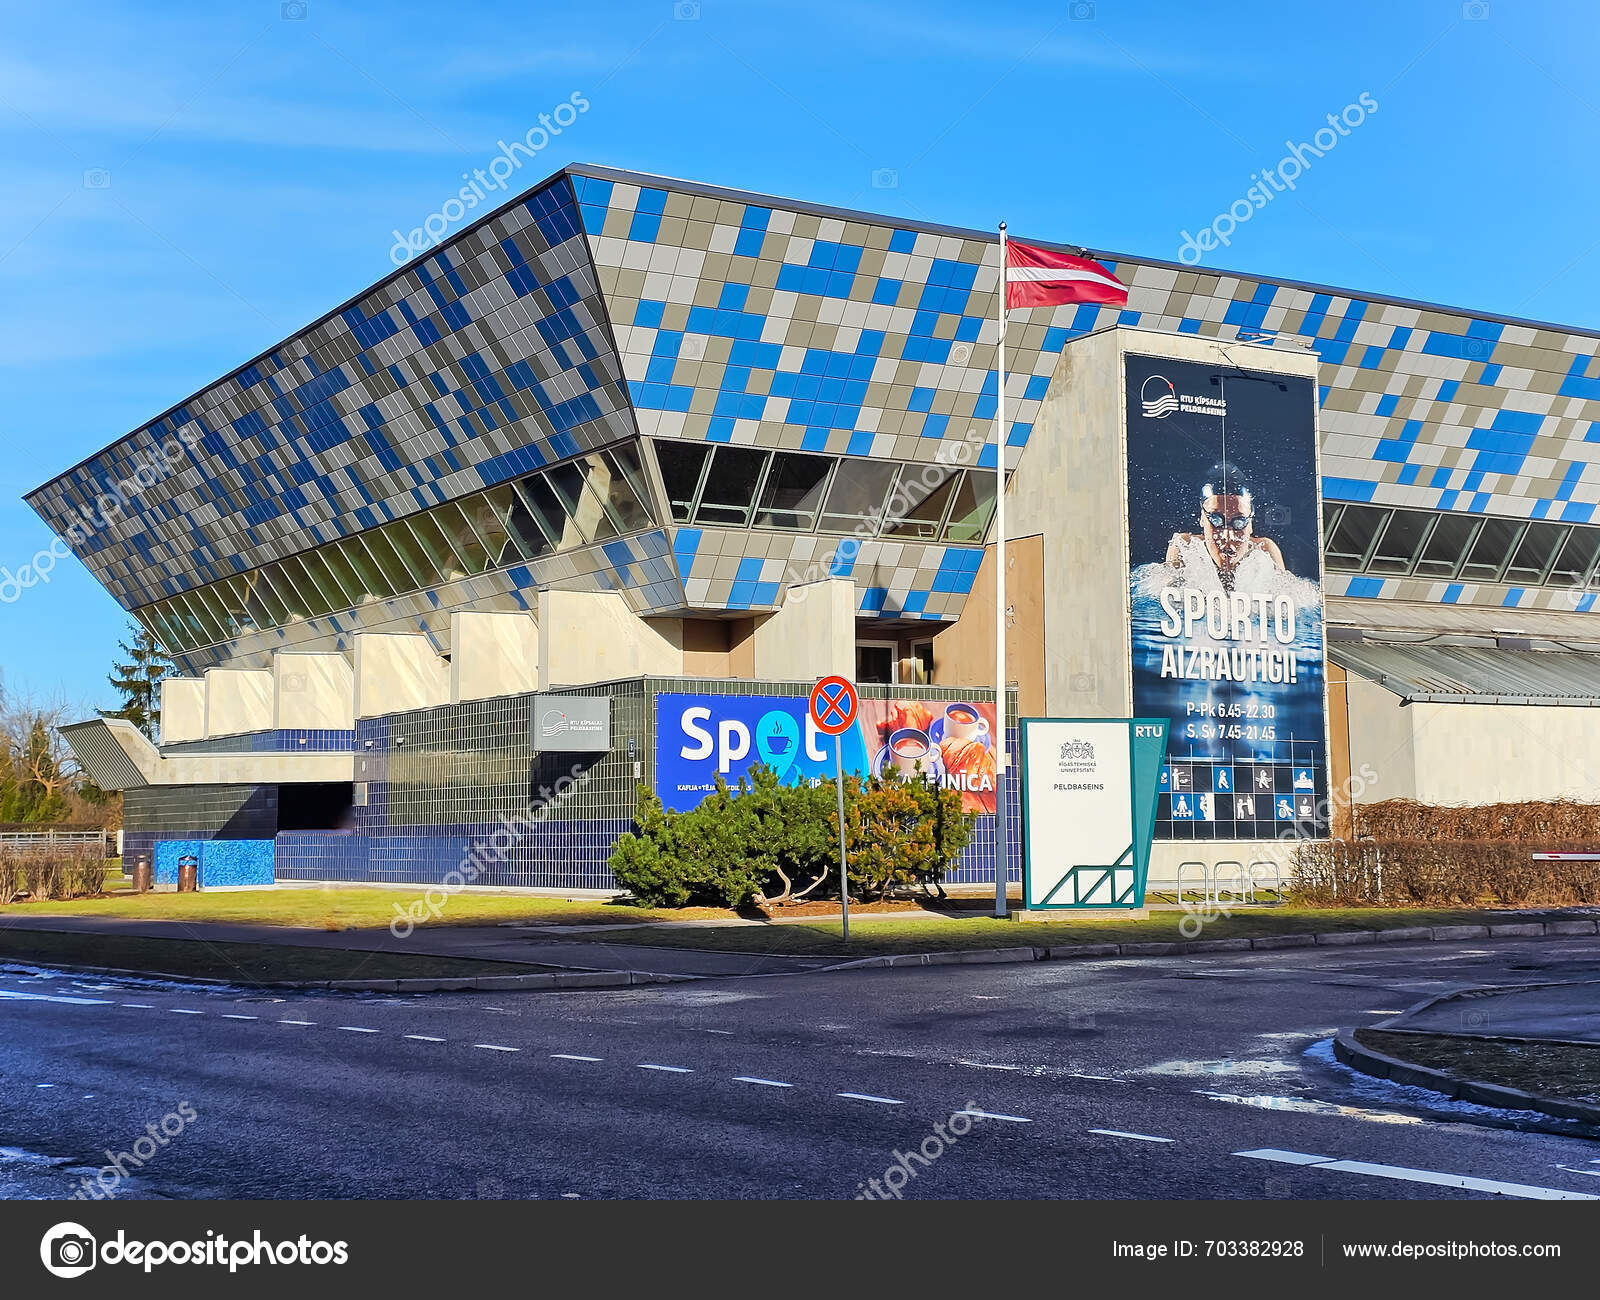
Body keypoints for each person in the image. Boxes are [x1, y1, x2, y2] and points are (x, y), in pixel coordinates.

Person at [1164, 461, 1285, 589]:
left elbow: (1289, 600)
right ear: (1202, 519)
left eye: (1239, 522)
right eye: (1216, 520)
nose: (1227, 536)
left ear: (1250, 525)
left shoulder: (1264, 551)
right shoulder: (1185, 547)